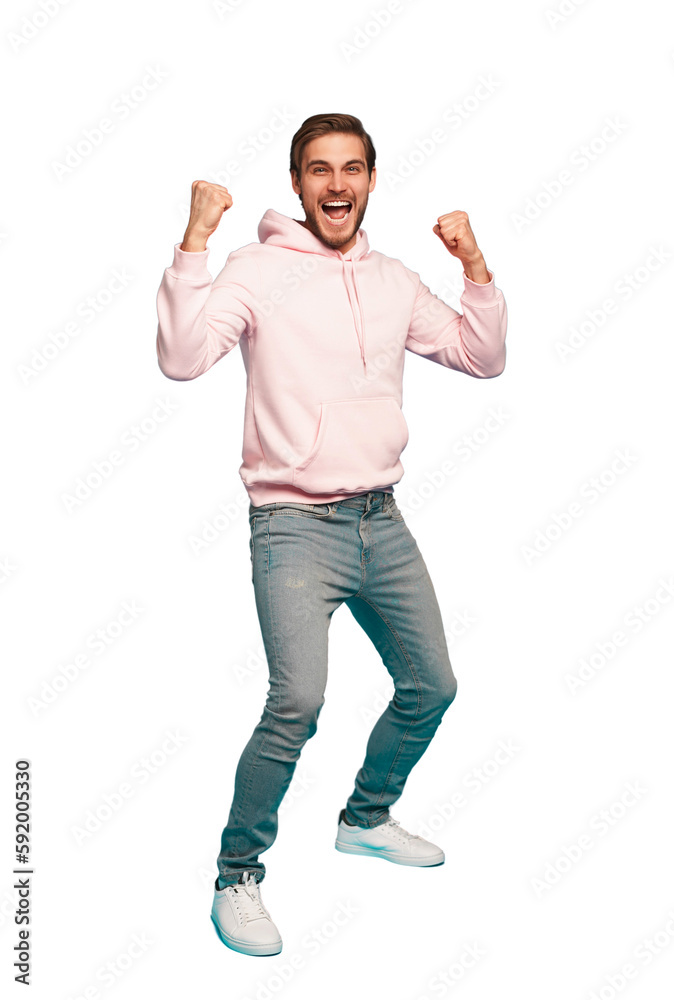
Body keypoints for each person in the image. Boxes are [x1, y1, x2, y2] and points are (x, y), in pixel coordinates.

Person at [155, 112, 508, 957]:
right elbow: (181, 355)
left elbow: (480, 355)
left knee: (434, 686)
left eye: (352, 169)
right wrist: (194, 242)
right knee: (297, 704)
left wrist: (475, 266)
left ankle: (366, 818)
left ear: (372, 180)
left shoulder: (391, 280)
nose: (337, 184)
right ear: (298, 183)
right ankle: (237, 875)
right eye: (320, 170)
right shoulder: (253, 269)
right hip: (291, 527)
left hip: (381, 521)